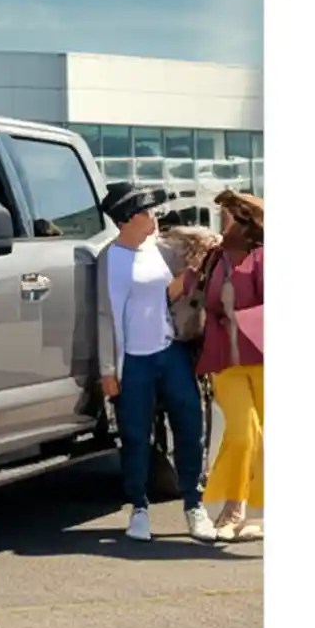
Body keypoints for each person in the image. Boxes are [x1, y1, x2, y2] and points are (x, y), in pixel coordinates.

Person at [97, 183, 217, 543]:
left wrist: (190, 277)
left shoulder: (158, 249)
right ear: (129, 219)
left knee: (189, 424)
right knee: (135, 436)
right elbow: (104, 316)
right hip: (133, 360)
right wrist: (107, 370)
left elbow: (165, 295)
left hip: (170, 351)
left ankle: (194, 505)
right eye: (148, 212)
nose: (155, 217)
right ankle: (139, 508)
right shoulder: (108, 259)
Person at [192, 190, 264, 541]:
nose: (224, 220)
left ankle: (257, 513)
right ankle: (234, 507)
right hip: (224, 360)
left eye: (232, 213)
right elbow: (197, 297)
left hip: (264, 358)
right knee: (241, 432)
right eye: (223, 213)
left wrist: (236, 318)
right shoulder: (214, 258)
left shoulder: (264, 256)